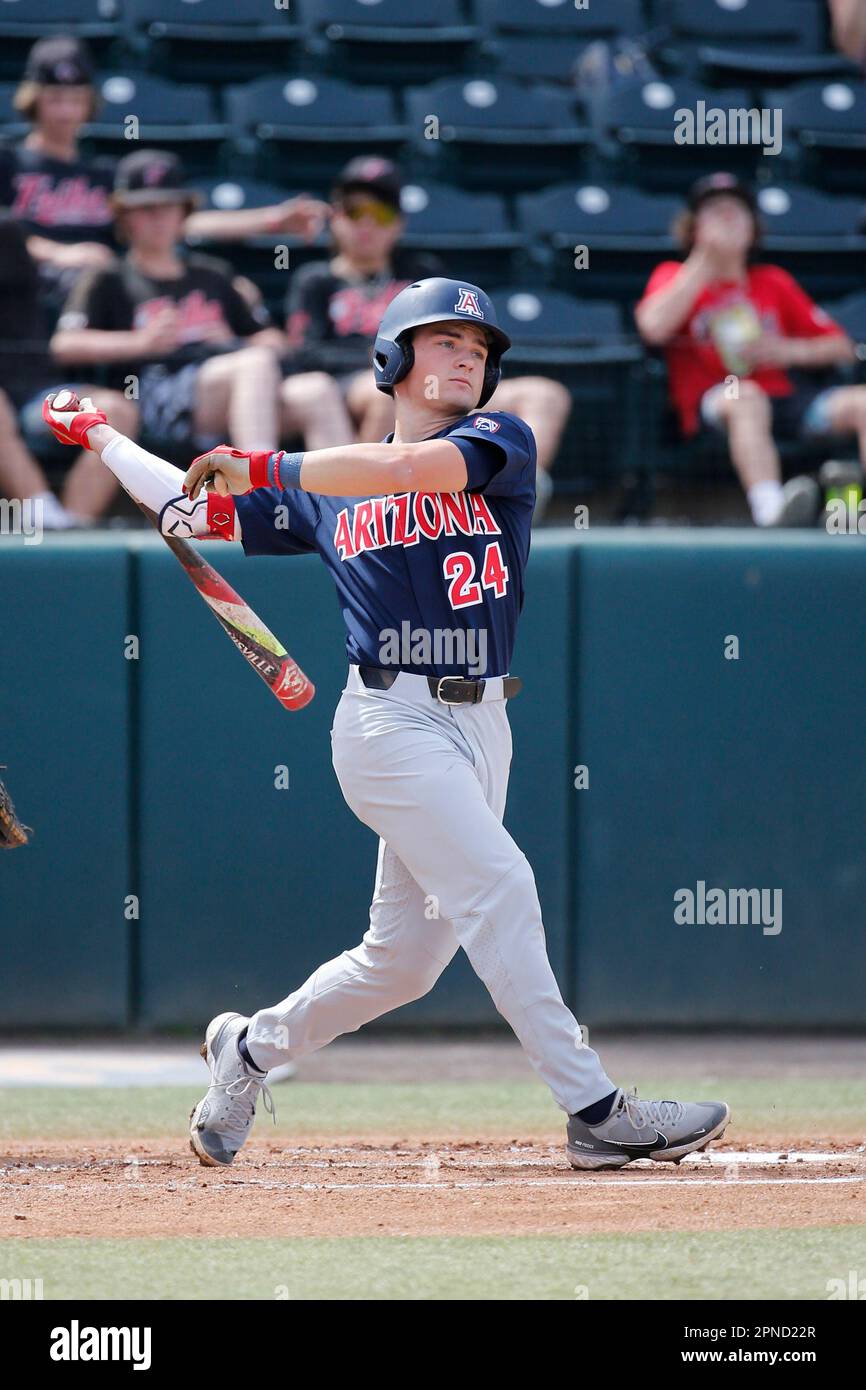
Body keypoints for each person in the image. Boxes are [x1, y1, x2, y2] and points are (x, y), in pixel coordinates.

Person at [43, 278, 731, 1172]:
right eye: (446, 341)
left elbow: (405, 471)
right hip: (387, 723)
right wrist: (100, 434)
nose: (467, 358)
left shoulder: (497, 441)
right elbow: (187, 507)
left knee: (403, 963)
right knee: (502, 888)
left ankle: (247, 1049)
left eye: (478, 350)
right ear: (394, 360)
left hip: (485, 723)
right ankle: (596, 1112)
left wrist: (268, 465)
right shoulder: (330, 489)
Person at [286, 157, 571, 517]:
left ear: (399, 226)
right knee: (386, 392)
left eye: (383, 215)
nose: (369, 225)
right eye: (356, 212)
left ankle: (516, 496)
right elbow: (305, 351)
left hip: (428, 379)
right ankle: (361, 506)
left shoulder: (421, 273)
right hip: (353, 382)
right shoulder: (316, 280)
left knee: (545, 394)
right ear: (337, 218)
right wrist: (388, 359)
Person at [636, 173, 860, 527]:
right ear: (693, 229)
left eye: (736, 211)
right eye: (714, 212)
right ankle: (770, 510)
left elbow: (842, 347)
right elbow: (652, 327)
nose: (726, 217)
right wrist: (704, 262)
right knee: (746, 395)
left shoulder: (773, 280)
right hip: (716, 404)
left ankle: (856, 513)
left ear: (753, 230)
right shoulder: (672, 274)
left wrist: (787, 350)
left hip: (788, 401)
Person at [0, 212, 134, 524]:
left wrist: (60, 254)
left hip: (35, 394)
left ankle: (72, 527)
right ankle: (43, 514)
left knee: (117, 410)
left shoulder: (8, 236)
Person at [0, 36, 117, 306]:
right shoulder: (7, 161)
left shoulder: (103, 174)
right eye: (55, 99)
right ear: (33, 99)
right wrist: (59, 253)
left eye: (76, 100)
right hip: (24, 288)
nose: (66, 112)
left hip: (96, 288)